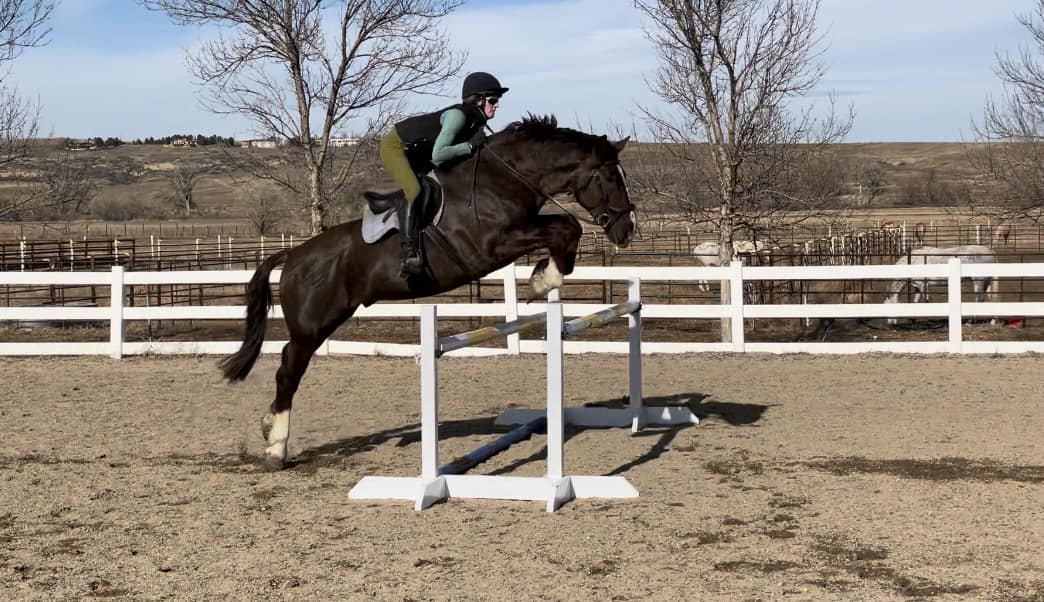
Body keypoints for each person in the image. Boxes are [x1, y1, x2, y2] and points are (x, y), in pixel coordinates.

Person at [379, 71, 509, 276]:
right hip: (395, 147)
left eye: (497, 100)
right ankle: (409, 253)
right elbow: (439, 154)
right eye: (493, 100)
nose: (497, 104)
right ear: (478, 100)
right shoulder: (459, 116)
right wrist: (469, 146)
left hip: (417, 153)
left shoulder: (476, 121)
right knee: (414, 190)